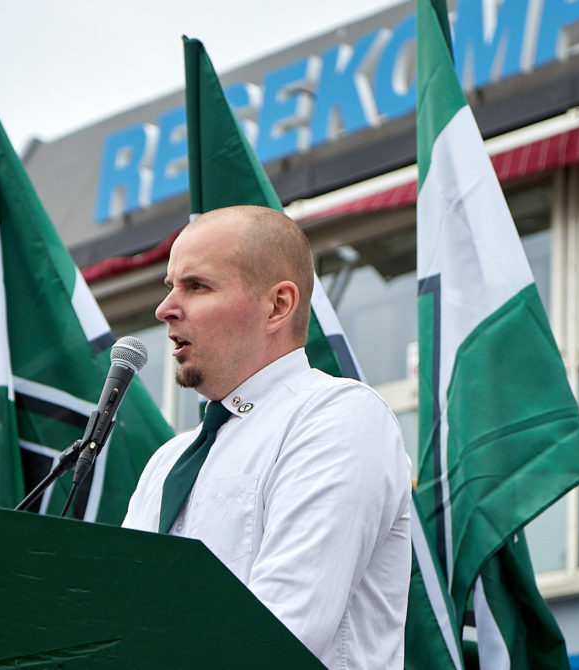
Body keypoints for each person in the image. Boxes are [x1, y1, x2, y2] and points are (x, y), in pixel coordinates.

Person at [122, 205, 412, 669]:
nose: (165, 309)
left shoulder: (337, 416)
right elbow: (120, 626)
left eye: (196, 286)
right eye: (170, 287)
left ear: (278, 305)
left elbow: (279, 631)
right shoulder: (167, 461)